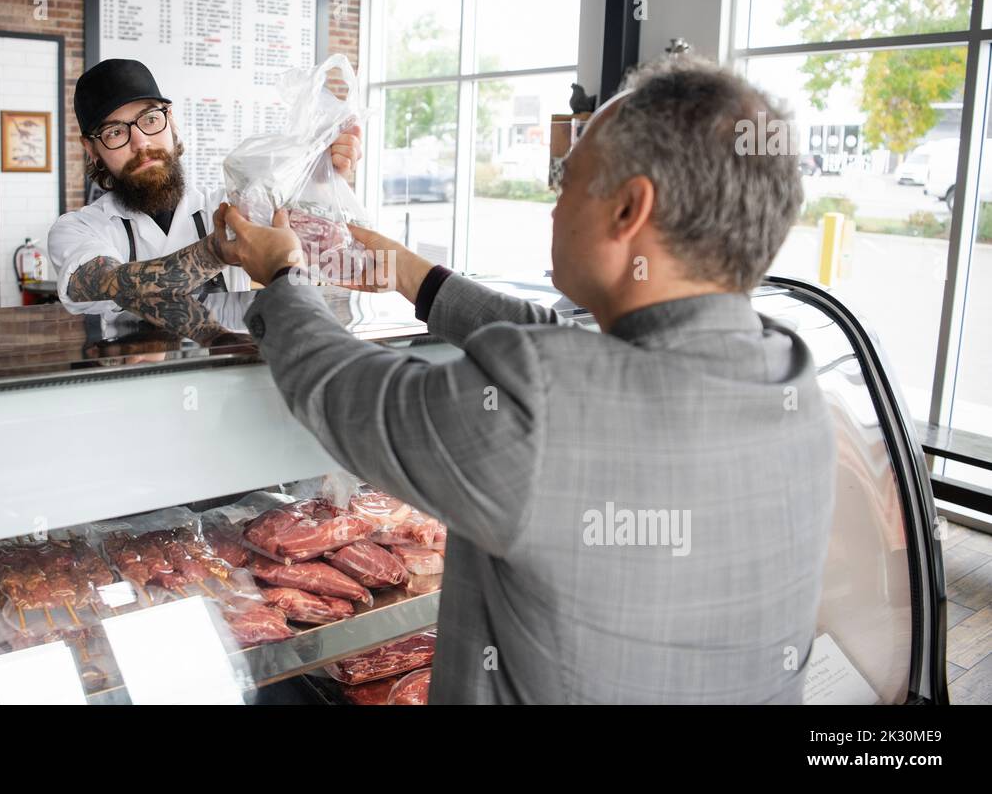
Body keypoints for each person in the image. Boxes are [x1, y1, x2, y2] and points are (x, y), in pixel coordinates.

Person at [217, 55, 836, 704]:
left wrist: (282, 278)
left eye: (570, 178)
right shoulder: (793, 378)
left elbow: (347, 395)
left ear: (630, 208)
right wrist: (412, 276)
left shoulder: (545, 405)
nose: (554, 199)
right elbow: (574, 346)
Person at [47, 58, 360, 315]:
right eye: (115, 132)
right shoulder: (77, 230)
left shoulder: (230, 207)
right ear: (92, 150)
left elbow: (325, 253)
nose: (141, 142)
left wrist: (319, 181)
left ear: (171, 121)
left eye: (150, 119)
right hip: (134, 388)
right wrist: (214, 252)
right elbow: (106, 281)